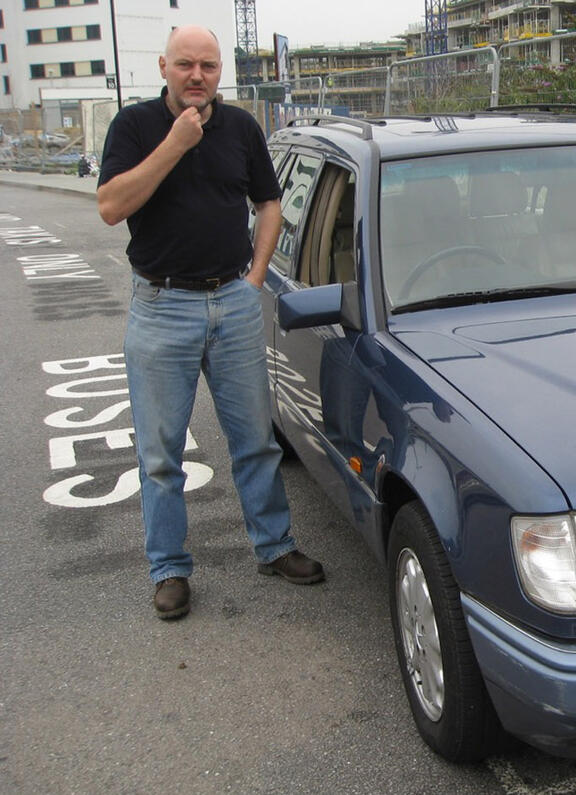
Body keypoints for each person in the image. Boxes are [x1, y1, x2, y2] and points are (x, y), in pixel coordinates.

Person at [97, 25, 324, 620]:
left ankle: (274, 546)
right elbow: (111, 207)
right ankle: (169, 568)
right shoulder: (135, 127)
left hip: (232, 301)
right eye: (186, 65)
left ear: (219, 71)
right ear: (164, 67)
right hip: (161, 306)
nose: (198, 76)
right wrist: (175, 144)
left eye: (209, 66)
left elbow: (269, 203)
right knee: (160, 454)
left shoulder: (243, 128)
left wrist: (253, 281)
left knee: (255, 439)